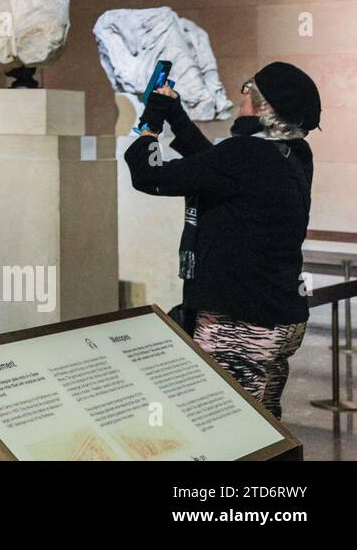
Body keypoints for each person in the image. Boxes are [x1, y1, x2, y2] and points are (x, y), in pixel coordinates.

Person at [124, 61, 322, 418]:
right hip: (278, 315)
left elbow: (149, 174)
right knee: (265, 424)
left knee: (229, 426)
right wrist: (176, 115)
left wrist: (150, 125)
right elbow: (214, 166)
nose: (240, 96)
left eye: (248, 89)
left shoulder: (245, 154)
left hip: (240, 323)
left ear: (263, 105)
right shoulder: (292, 152)